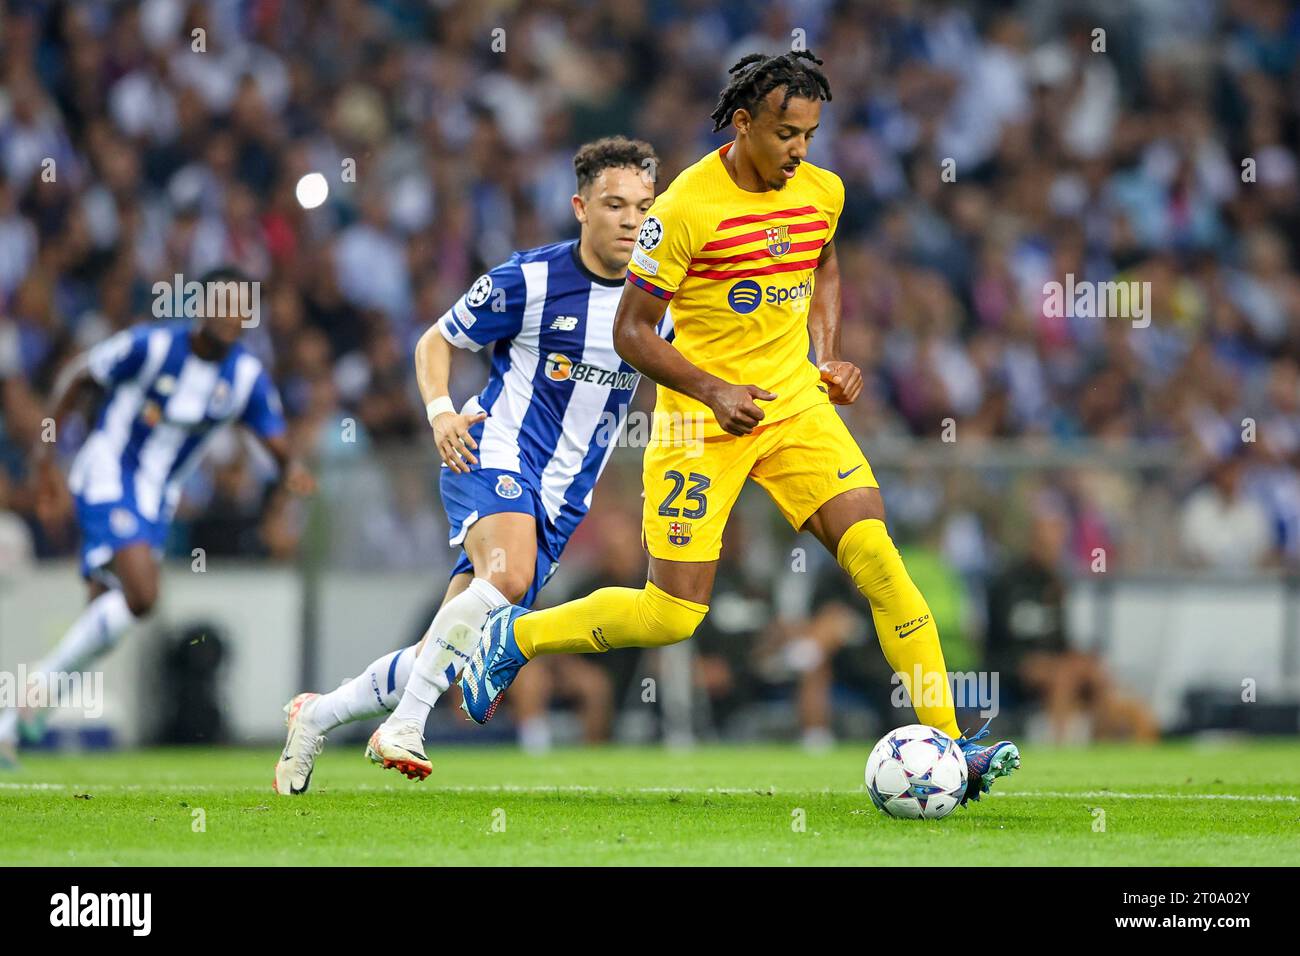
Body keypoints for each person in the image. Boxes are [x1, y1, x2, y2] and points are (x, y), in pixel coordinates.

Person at [458, 52, 1019, 805]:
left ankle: (951, 749)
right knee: (672, 614)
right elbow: (633, 331)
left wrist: (826, 355)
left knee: (881, 562)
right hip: (699, 421)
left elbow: (823, 265)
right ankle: (515, 637)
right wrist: (713, 389)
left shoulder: (822, 191)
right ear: (745, 122)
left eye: (811, 135)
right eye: (787, 133)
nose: (800, 150)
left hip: (793, 406)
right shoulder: (686, 207)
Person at [274, 136, 663, 792]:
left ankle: (320, 714)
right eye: (614, 204)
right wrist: (440, 411)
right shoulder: (531, 278)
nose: (630, 220)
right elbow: (436, 341)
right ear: (579, 206)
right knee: (506, 578)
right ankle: (405, 725)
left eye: (643, 207)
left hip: (562, 500)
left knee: (450, 648)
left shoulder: (656, 302)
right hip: (492, 450)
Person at [0, 268, 313, 768]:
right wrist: (44, 459)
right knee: (143, 596)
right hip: (108, 470)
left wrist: (292, 469)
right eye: (223, 303)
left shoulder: (245, 376)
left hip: (157, 497)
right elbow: (81, 376)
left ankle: (20, 717)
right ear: (202, 306)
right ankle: (33, 692)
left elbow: (274, 436)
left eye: (241, 306)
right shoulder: (152, 347)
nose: (232, 315)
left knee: (111, 612)